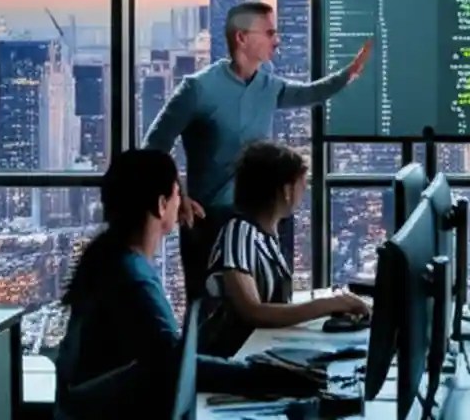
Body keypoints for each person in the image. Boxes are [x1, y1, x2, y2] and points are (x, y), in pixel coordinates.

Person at [53, 149, 317, 420]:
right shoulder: (132, 275)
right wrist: (263, 377)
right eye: (177, 193)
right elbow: (176, 367)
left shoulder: (110, 259)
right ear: (160, 204)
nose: (182, 201)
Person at [142, 1, 373, 304]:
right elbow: (154, 146)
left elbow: (308, 93)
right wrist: (180, 196)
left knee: (268, 305)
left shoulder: (267, 85)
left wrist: (348, 74)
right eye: (269, 32)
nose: (277, 40)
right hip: (210, 221)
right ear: (242, 38)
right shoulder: (197, 89)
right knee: (210, 315)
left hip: (259, 217)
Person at [199, 141, 370, 357]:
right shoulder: (238, 233)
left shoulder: (268, 234)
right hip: (232, 359)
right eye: (301, 183)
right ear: (286, 191)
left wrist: (332, 303)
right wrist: (330, 304)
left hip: (260, 349)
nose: (304, 189)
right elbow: (252, 311)